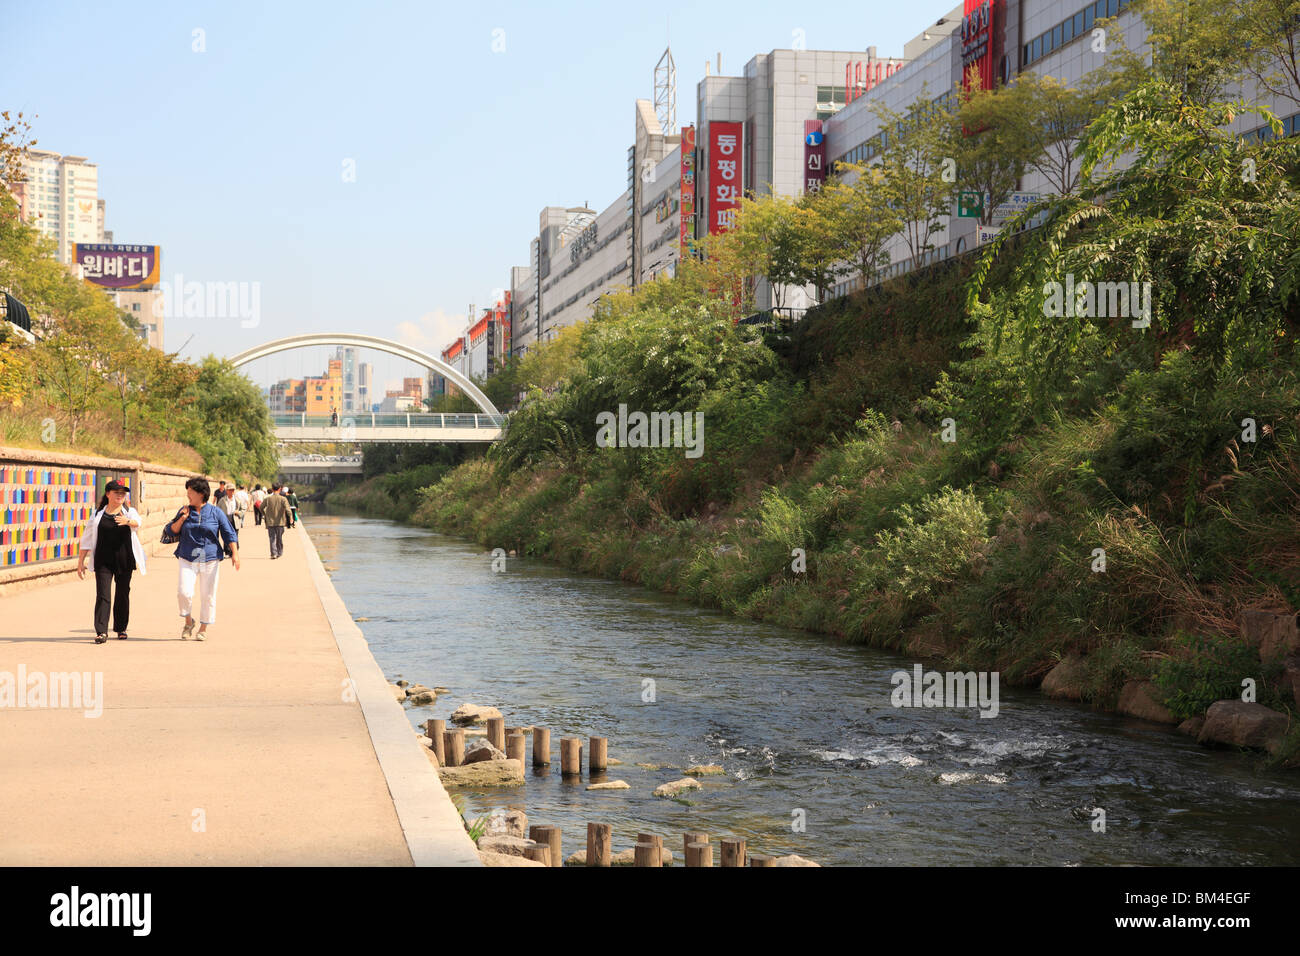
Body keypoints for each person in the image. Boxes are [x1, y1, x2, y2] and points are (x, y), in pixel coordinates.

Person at [164, 477, 240, 641]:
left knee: (208, 594)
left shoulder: (215, 512)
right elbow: (172, 531)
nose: (188, 495)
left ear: (201, 494)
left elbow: (229, 533)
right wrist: (182, 518)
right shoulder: (185, 510)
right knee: (183, 592)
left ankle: (203, 628)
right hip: (187, 556)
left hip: (209, 558)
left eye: (190, 491)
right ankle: (188, 621)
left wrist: (235, 553)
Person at [76, 479, 147, 643]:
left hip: (124, 559)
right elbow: (86, 540)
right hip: (103, 561)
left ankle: (121, 628)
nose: (120, 495)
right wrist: (81, 562)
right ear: (108, 494)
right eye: (117, 492)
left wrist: (127, 522)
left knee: (122, 594)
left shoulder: (129, 512)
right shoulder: (97, 515)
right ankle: (101, 631)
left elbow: (138, 522)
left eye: (123, 493)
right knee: (103, 595)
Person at [260, 482, 292, 559]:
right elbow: (288, 509)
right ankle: (279, 552)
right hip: (280, 522)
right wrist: (291, 517)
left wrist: (265, 515)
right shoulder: (283, 499)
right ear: (280, 489)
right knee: (279, 538)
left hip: (270, 522)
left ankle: (273, 553)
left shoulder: (267, 499)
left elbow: (261, 508)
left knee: (272, 538)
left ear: (272, 488)